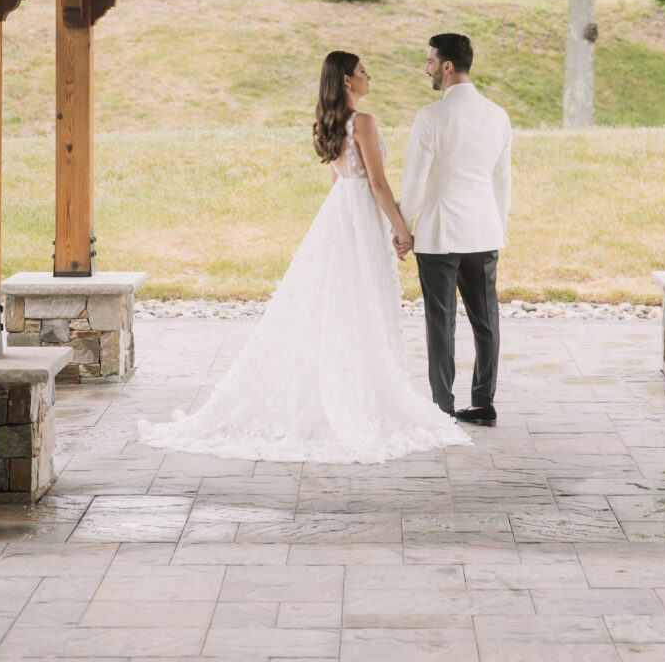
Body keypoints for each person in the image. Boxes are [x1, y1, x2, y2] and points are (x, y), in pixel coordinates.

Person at [138, 50, 468, 464]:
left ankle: (342, 382)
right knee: (362, 303)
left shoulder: (331, 122)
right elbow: (379, 185)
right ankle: (358, 390)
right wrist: (403, 232)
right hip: (360, 215)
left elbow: (338, 178)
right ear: (347, 80)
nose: (370, 77)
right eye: (363, 71)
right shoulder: (362, 122)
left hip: (340, 214)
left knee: (337, 302)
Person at [398, 33, 512, 427]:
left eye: (430, 60)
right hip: (484, 231)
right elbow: (503, 181)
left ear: (447, 66)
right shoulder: (498, 115)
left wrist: (401, 228)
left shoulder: (431, 116)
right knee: (487, 322)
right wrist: (501, 227)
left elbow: (413, 183)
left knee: (440, 323)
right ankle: (483, 403)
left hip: (439, 234)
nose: (426, 67)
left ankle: (442, 408)